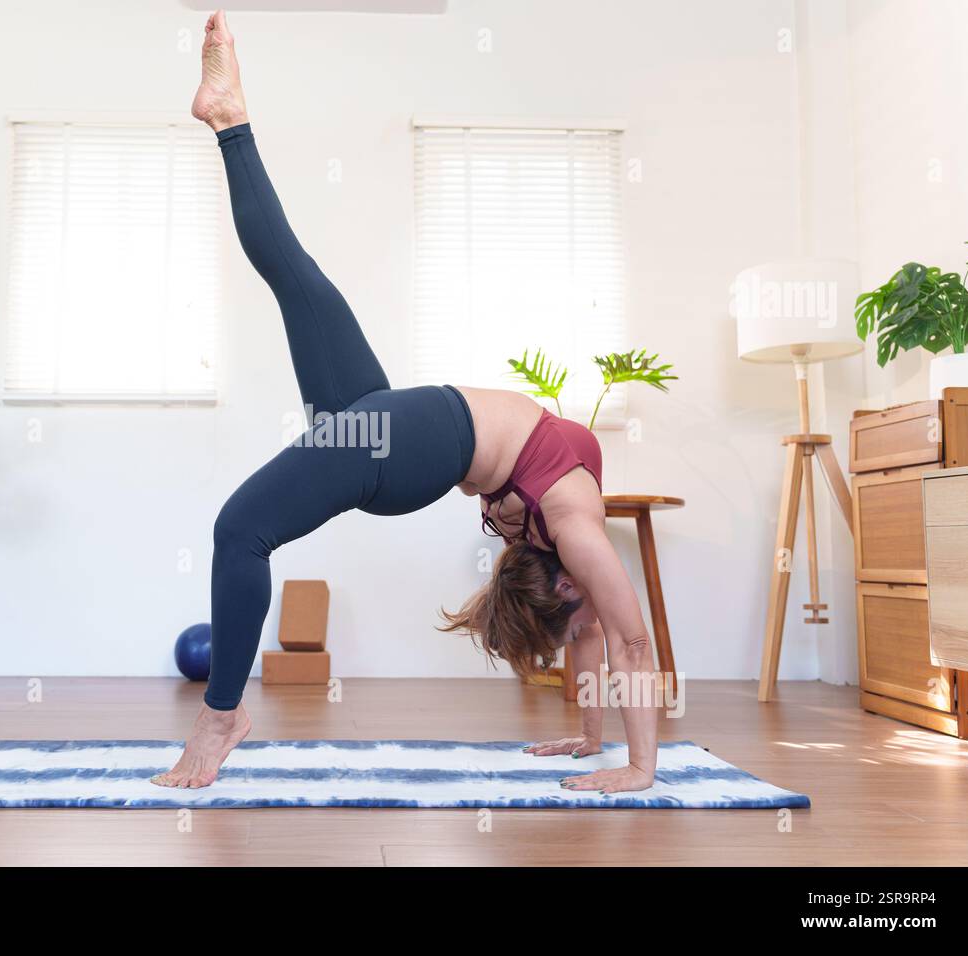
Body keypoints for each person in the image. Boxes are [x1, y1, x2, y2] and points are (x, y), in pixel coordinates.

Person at [153, 11, 658, 794]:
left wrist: (639, 768)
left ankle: (222, 716)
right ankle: (229, 121)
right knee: (294, 274)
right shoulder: (573, 539)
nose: (588, 604)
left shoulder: (575, 529)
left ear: (559, 584)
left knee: (239, 530)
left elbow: (623, 638)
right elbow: (609, 634)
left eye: (573, 606)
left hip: (409, 444)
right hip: (405, 427)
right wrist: (592, 743)